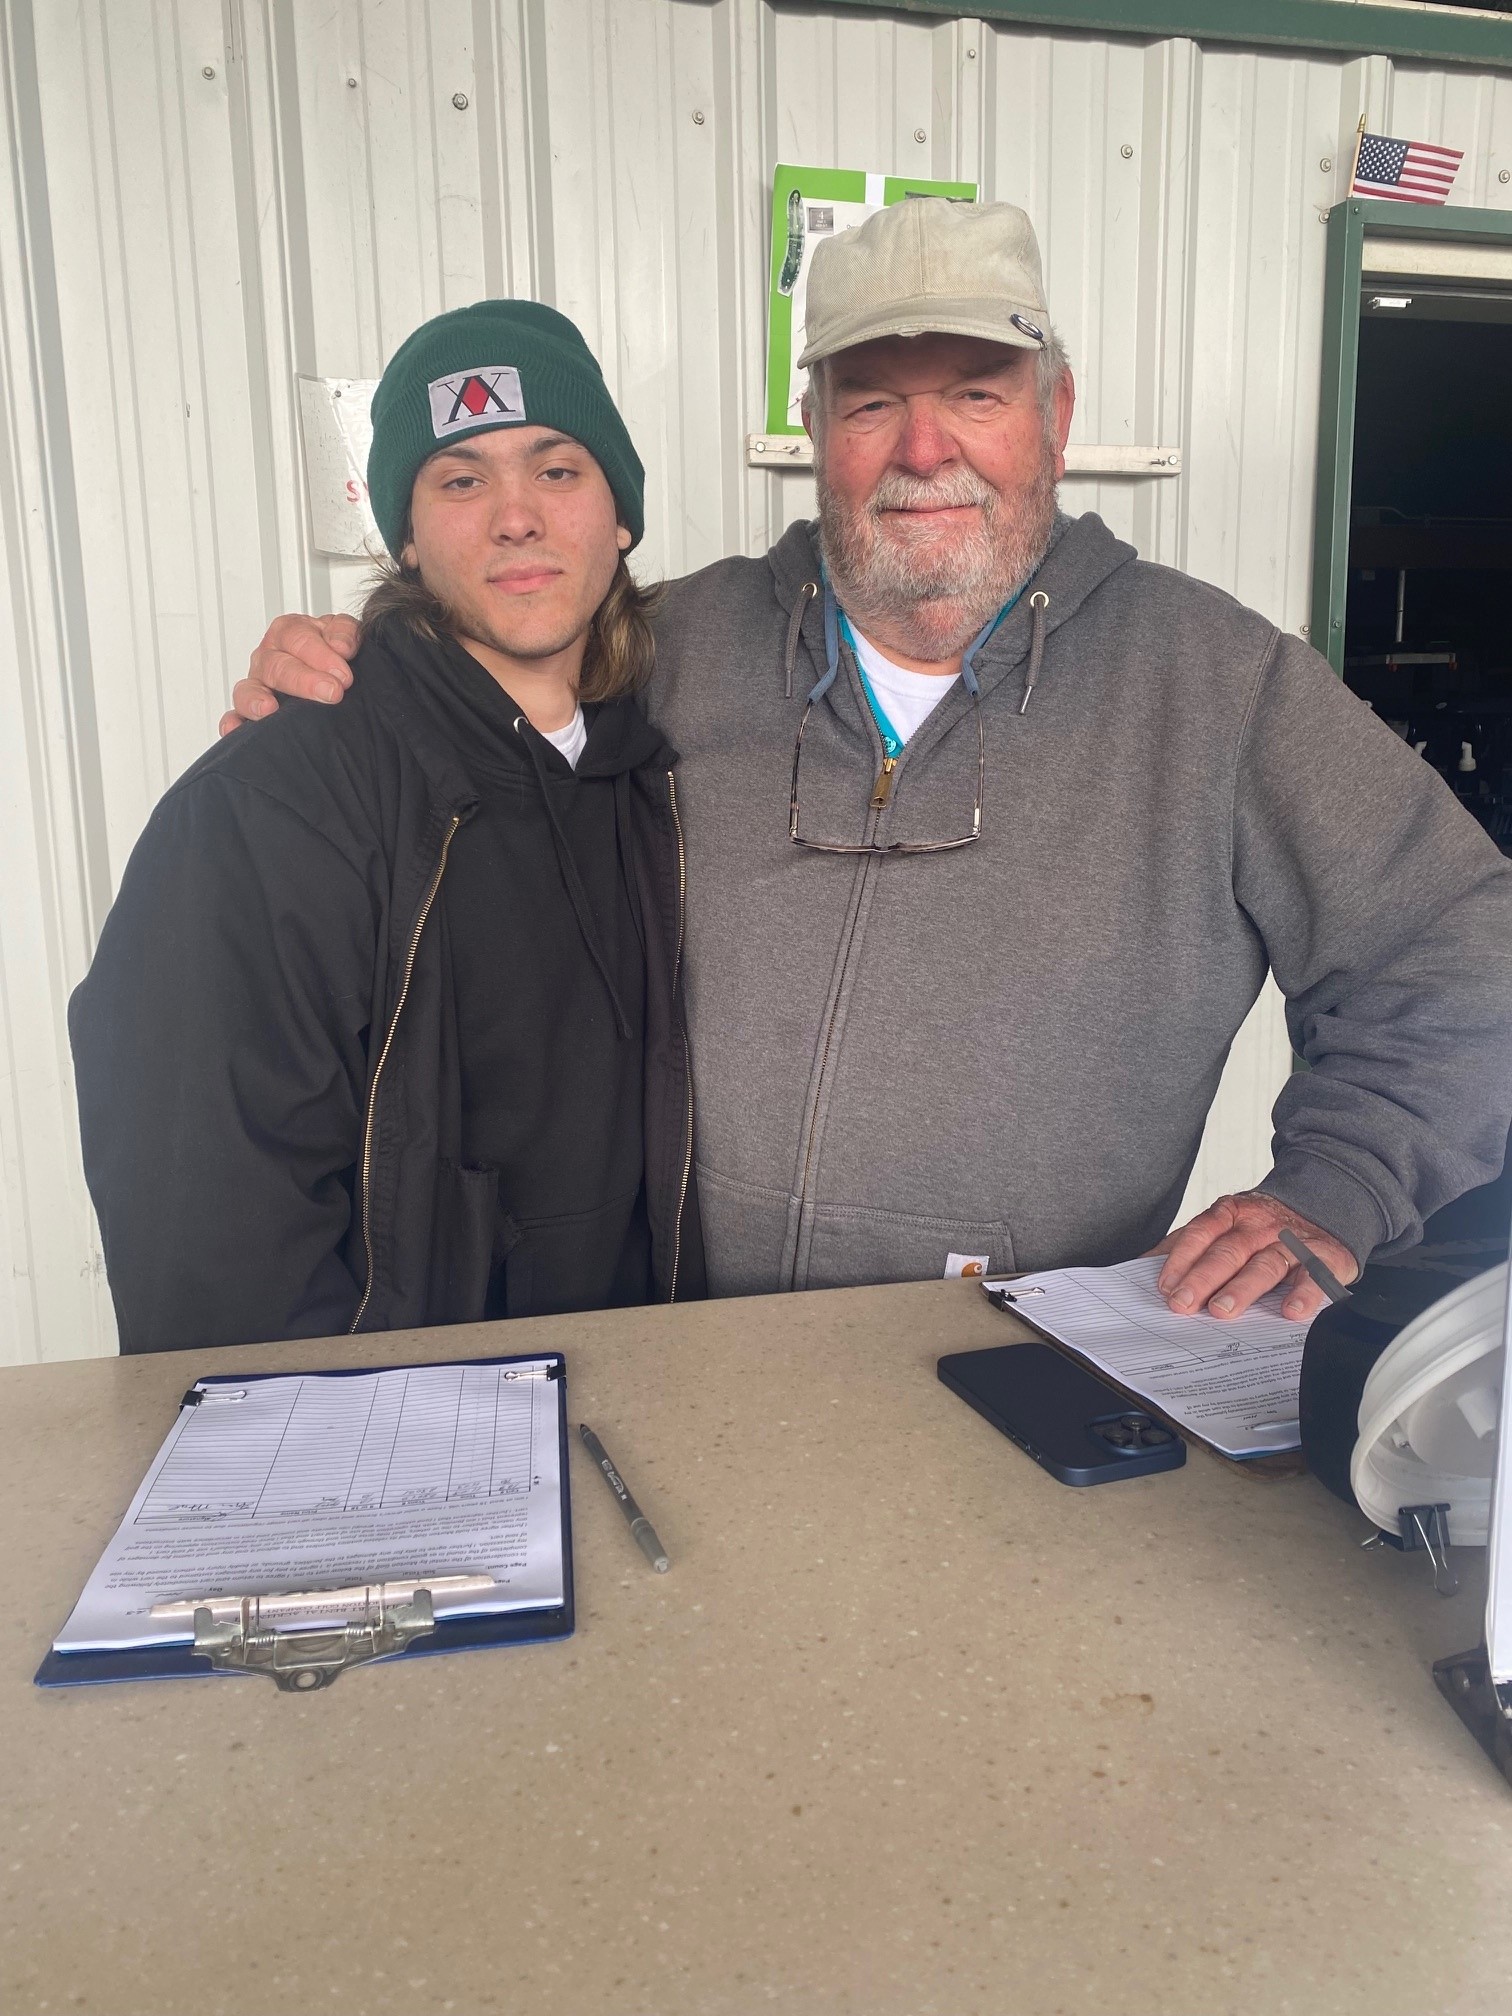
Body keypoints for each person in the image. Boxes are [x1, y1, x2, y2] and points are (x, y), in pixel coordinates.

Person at [223, 200, 1512, 1327]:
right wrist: (353, 676)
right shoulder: (672, 644)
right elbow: (492, 675)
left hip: (1018, 1378)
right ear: (814, 425)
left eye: (977, 393)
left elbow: (1457, 940)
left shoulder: (1219, 686)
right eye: (873, 400)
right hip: (674, 1350)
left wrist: (1342, 1182)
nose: (924, 448)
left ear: (1055, 415)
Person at [71, 300, 701, 1353]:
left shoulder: (661, 768)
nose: (516, 517)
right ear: (405, 537)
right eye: (461, 481)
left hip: (650, 1391)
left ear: (620, 516)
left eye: (557, 470)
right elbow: (210, 1249)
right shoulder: (272, 803)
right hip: (405, 1422)